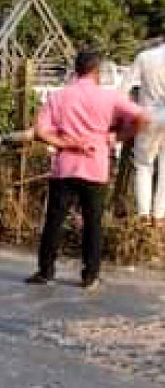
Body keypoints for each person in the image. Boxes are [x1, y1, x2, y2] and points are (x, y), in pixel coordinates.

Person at [26, 49, 149, 291]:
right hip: (95, 166)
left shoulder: (58, 97)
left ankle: (45, 271)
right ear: (97, 71)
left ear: (76, 69)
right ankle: (89, 275)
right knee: (93, 223)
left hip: (65, 167)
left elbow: (40, 132)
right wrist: (117, 137)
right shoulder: (109, 97)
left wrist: (66, 143)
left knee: (54, 220)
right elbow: (142, 117)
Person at [120, 42, 165, 226]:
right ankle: (159, 216)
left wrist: (131, 115)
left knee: (143, 166)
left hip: (148, 116)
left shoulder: (145, 57)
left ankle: (143, 215)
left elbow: (123, 90)